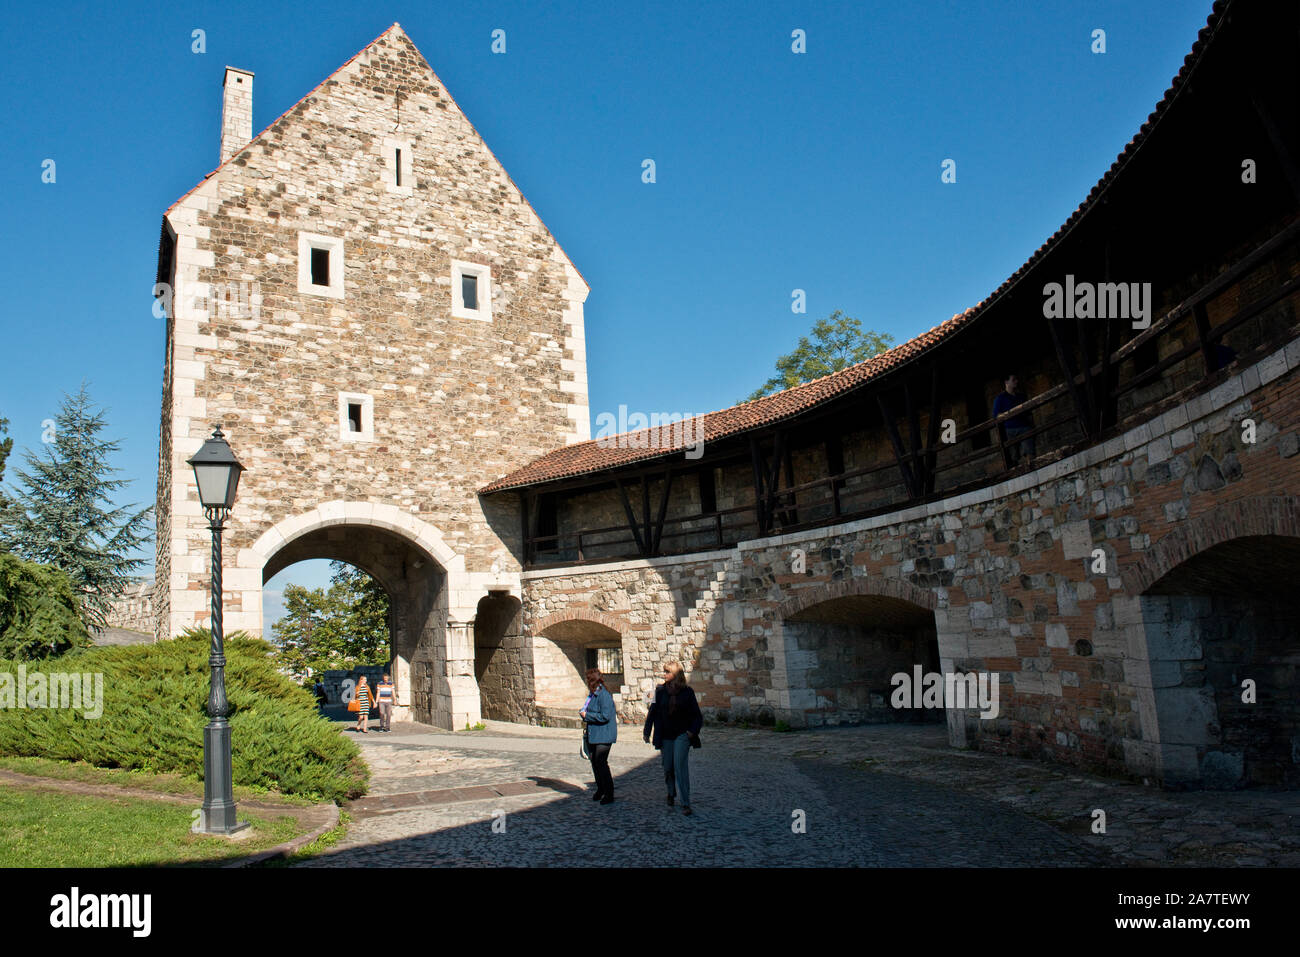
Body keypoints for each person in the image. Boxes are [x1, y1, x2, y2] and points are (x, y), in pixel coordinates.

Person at [643, 660, 702, 815]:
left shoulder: (687, 692)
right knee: (668, 767)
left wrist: (692, 732)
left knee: (680, 767)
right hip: (665, 735)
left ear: (676, 675)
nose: (665, 674)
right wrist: (647, 731)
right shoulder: (660, 691)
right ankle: (671, 792)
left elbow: (697, 716)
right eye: (664, 671)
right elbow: (653, 712)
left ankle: (685, 802)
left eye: (668, 672)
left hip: (682, 734)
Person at [580, 667, 617, 805]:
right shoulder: (593, 694)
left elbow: (605, 716)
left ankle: (609, 793)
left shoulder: (603, 695)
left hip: (604, 734)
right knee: (595, 762)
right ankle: (600, 789)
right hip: (594, 734)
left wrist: (587, 716)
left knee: (601, 762)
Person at [993, 373, 1035, 465]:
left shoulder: (1021, 396)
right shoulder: (1000, 398)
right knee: (1013, 456)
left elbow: (1028, 412)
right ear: (1006, 382)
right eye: (1013, 380)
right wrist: (1008, 414)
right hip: (1009, 429)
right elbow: (996, 416)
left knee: (1029, 451)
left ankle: (1032, 468)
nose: (1016, 381)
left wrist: (1032, 425)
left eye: (1016, 379)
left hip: (1024, 426)